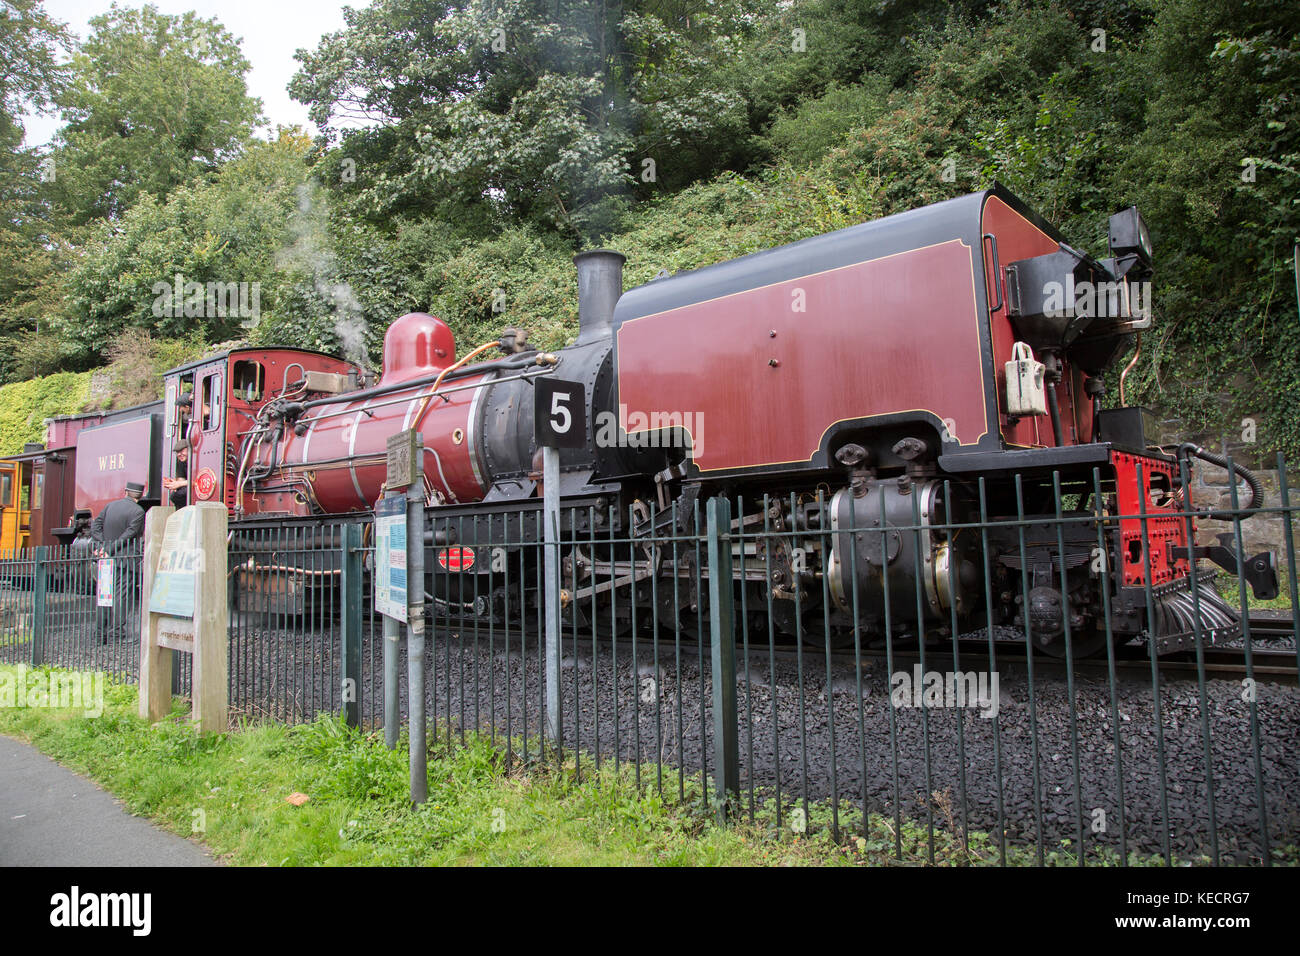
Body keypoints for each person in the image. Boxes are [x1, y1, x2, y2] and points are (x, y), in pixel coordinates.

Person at [90, 482, 145, 643]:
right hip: (124, 561)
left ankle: (100, 636)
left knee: (104, 596)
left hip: (105, 559)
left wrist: (103, 547)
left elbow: (95, 527)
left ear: (126, 491)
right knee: (121, 597)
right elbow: (130, 534)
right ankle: (116, 635)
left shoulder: (110, 506)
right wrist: (111, 549)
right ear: (140, 495)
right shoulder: (138, 511)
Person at [163, 440, 189, 509]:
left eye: (182, 451)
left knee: (181, 494)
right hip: (188, 486)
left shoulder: (196, 460)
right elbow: (181, 480)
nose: (179, 454)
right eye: (177, 452)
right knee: (175, 496)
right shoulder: (181, 462)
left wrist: (179, 484)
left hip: (197, 488)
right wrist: (173, 483)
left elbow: (197, 480)